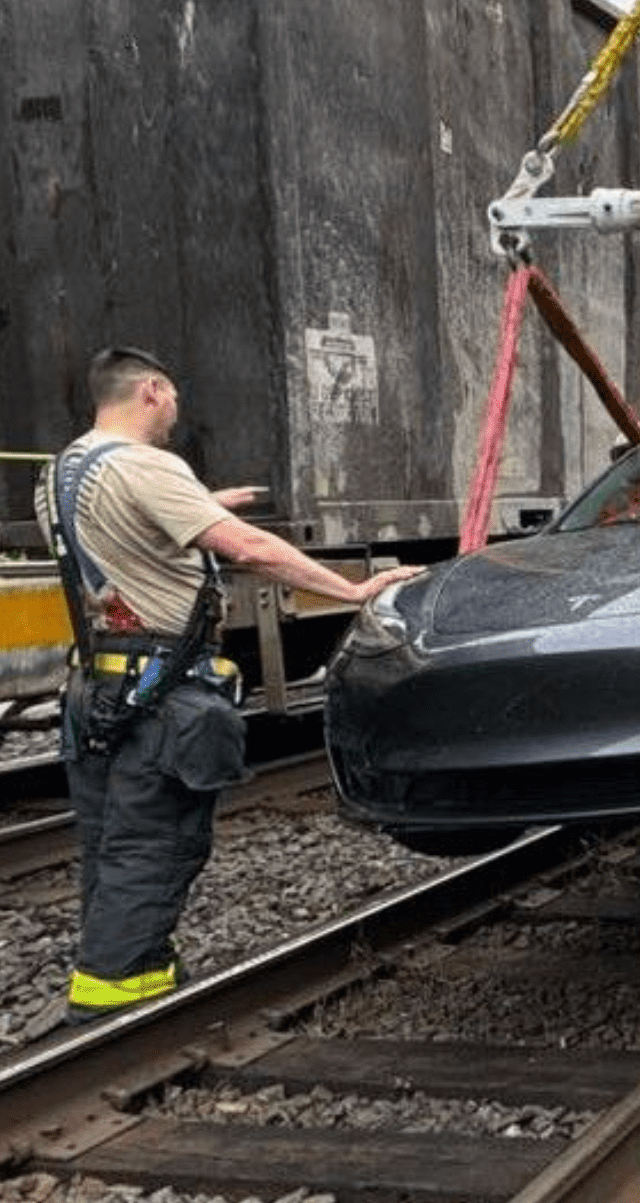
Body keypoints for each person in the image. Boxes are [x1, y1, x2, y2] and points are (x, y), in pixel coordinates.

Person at [33, 347, 419, 1028]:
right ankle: (116, 1002)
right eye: (174, 398)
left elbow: (123, 530)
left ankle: (132, 966)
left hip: (96, 691)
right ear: (152, 389)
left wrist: (199, 505)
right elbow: (252, 550)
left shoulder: (61, 473)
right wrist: (351, 589)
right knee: (156, 842)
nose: (176, 412)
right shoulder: (149, 466)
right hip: (158, 695)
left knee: (108, 841)